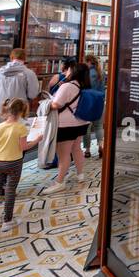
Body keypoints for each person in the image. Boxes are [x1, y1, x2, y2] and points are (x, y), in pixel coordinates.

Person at [0, 97, 37, 230]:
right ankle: (7, 221)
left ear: (8, 110)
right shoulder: (21, 128)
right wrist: (37, 140)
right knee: (10, 191)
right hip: (14, 163)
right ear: (21, 112)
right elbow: (23, 147)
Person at [42, 60, 91, 195]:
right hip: (81, 123)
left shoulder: (67, 86)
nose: (66, 71)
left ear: (74, 72)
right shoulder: (84, 85)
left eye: (69, 69)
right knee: (76, 148)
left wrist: (47, 103)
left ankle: (60, 182)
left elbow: (56, 105)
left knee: (63, 154)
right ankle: (80, 175)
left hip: (66, 125)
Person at [0, 48, 40, 125]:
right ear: (24, 58)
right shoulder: (29, 74)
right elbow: (32, 94)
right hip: (16, 117)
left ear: (11, 57)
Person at [83, 54, 105, 159]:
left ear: (88, 61)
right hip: (99, 102)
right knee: (99, 126)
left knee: (86, 127)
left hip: (88, 103)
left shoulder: (87, 73)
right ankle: (101, 146)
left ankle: (87, 150)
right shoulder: (101, 72)